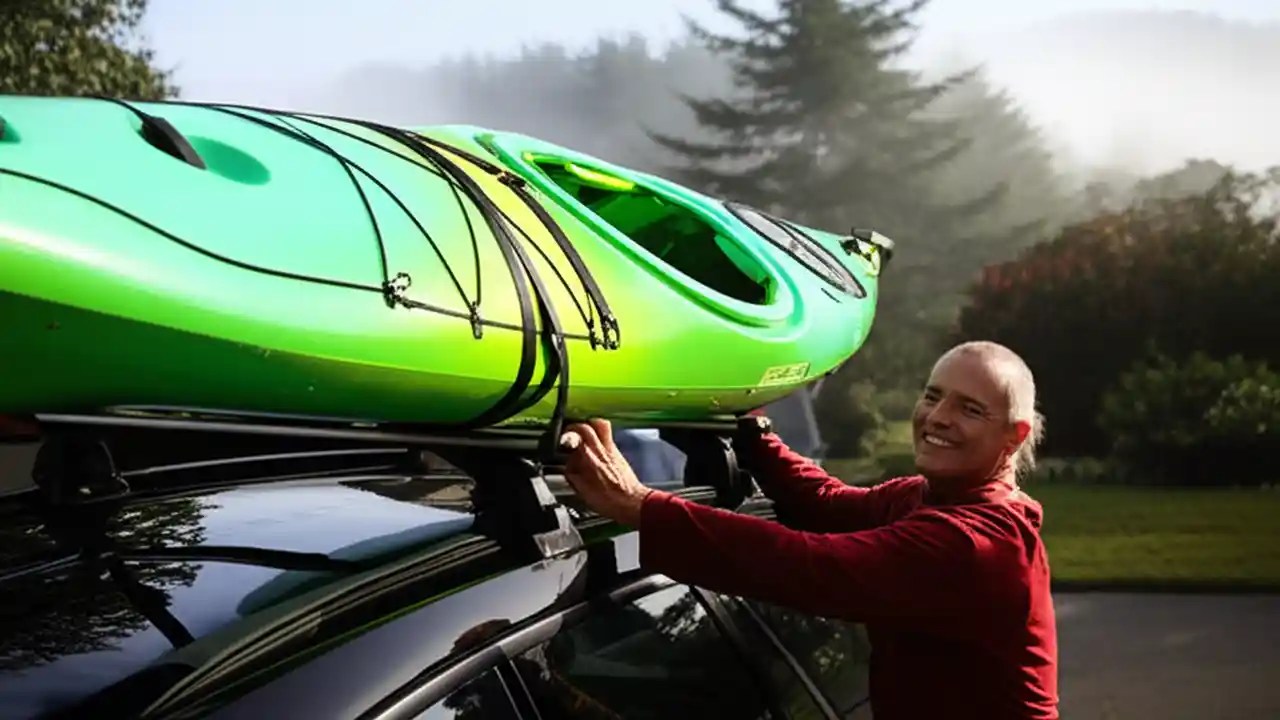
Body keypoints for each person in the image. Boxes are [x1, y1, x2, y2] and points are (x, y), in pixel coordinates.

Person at [557, 340, 1059, 720]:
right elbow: (827, 504)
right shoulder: (927, 497)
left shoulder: (975, 541)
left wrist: (641, 507)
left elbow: (810, 566)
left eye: (970, 409)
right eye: (933, 396)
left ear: (1012, 437)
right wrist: (751, 432)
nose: (938, 417)